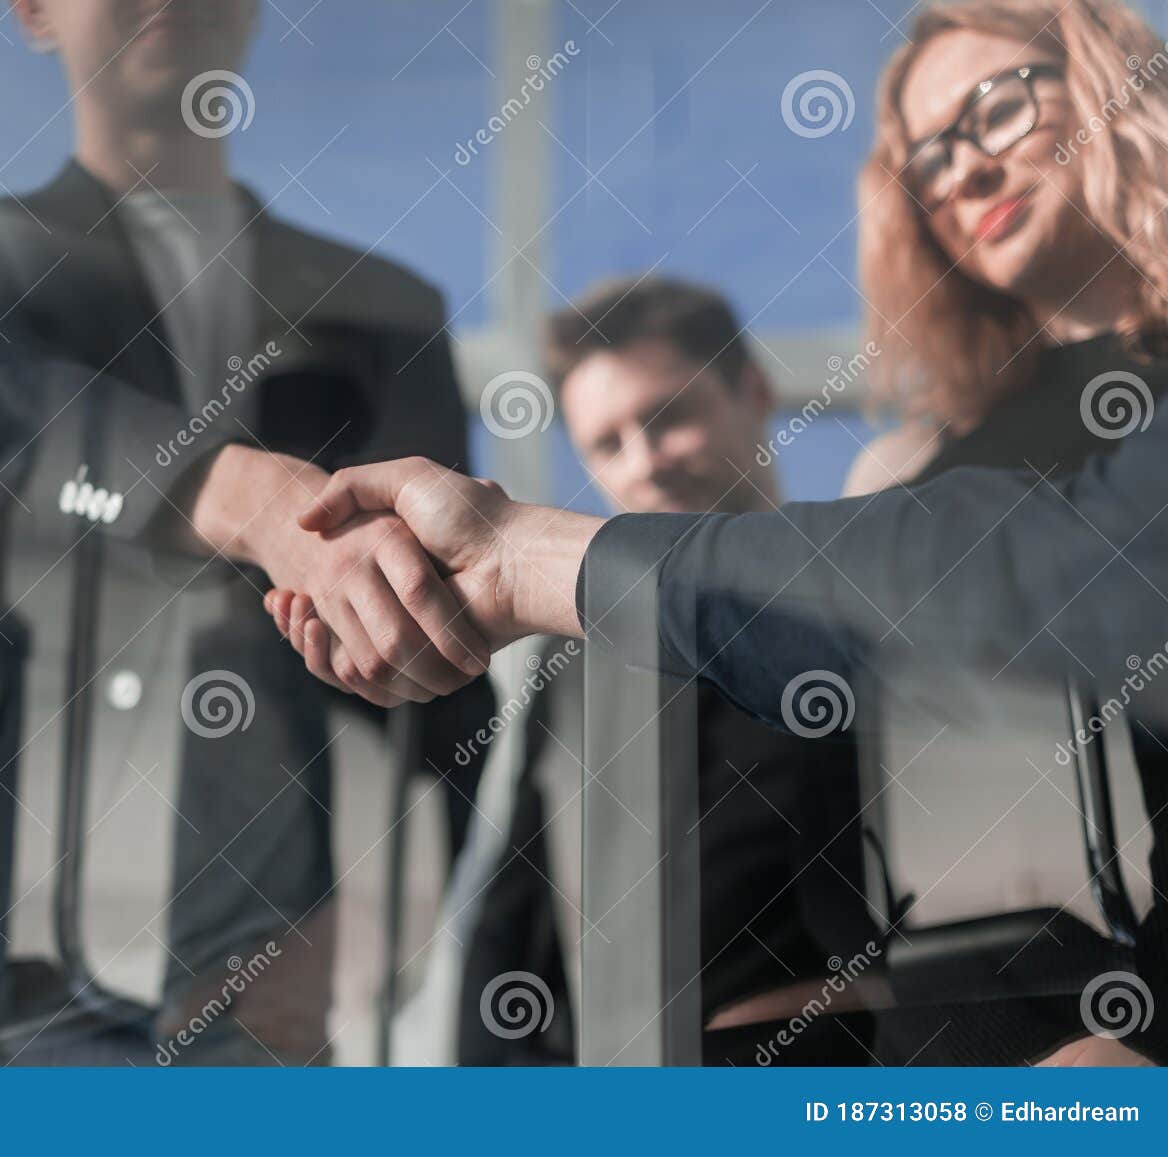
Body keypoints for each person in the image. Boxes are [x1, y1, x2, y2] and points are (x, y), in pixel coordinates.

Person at [271, 0, 1168, 1065]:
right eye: (923, 158)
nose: (960, 173)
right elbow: (505, 926)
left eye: (994, 109)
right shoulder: (920, 477)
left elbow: (1031, 577)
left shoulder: (907, 529)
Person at [0, 0, 495, 1065]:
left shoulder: (386, 307)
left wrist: (405, 910)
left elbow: (434, 658)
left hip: (272, 900)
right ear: (34, 13)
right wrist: (255, 503)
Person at [447, 278, 877, 1065]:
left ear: (753, 390)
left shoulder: (868, 601)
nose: (644, 464)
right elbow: (512, 918)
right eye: (607, 444)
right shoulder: (576, 660)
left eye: (668, 417)